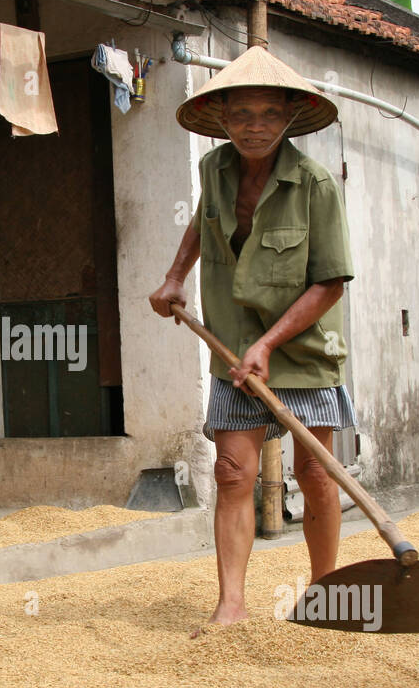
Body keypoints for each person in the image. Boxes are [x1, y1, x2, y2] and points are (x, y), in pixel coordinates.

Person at [149, 46, 358, 636]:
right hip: (230, 347)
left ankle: (324, 594)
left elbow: (331, 282)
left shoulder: (315, 184)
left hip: (303, 349)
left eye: (268, 113)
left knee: (316, 473)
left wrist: (268, 343)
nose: (255, 125)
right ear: (221, 118)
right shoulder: (214, 170)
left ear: (290, 117)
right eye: (241, 114)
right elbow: (201, 222)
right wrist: (173, 277)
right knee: (233, 474)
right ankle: (232, 606)